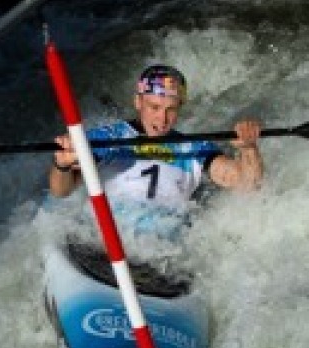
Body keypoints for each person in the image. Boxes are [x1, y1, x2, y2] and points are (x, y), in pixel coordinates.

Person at [48, 64, 263, 237]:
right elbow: (61, 191)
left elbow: (246, 186)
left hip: (161, 255)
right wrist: (62, 164)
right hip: (106, 244)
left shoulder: (194, 148)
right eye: (154, 107)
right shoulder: (109, 138)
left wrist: (248, 149)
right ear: (138, 102)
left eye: (171, 110)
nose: (162, 118)